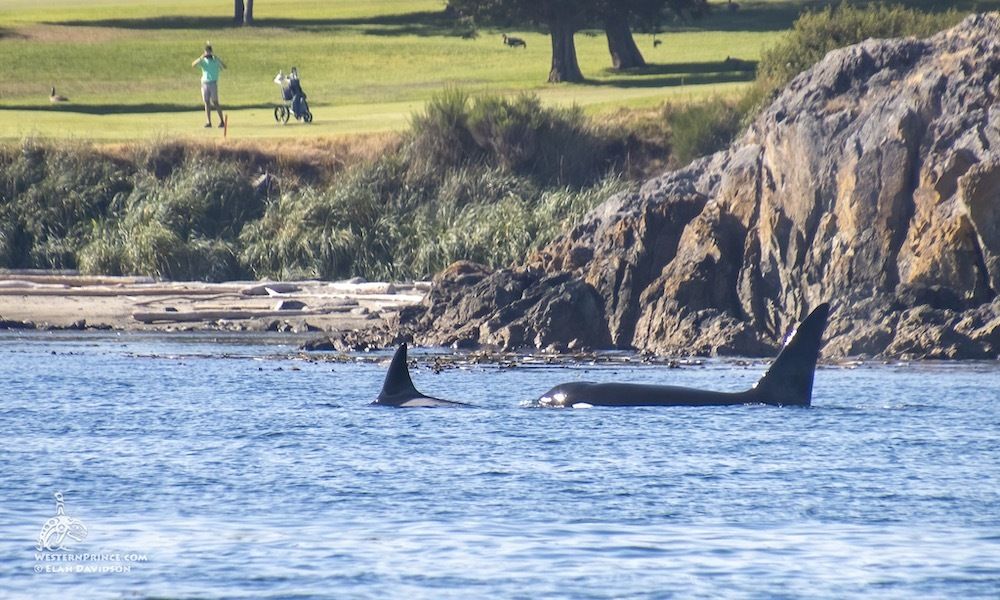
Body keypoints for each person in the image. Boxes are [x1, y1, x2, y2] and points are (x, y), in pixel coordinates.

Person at [191, 43, 226, 128]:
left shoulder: (215, 61)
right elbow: (193, 65)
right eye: (206, 52)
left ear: (211, 52)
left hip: (213, 83)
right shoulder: (203, 61)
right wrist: (201, 57)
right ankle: (208, 122)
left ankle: (222, 121)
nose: (207, 54)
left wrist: (216, 57)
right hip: (205, 83)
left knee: (215, 102)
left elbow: (224, 67)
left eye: (209, 52)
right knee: (206, 102)